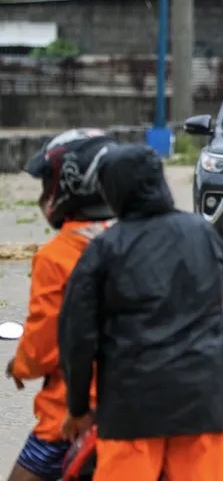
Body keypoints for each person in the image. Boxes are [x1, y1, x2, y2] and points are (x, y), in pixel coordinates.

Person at [58, 144, 223, 481]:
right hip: (203, 403)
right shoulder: (205, 235)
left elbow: (77, 336)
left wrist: (77, 408)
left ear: (113, 192)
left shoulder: (105, 249)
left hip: (131, 409)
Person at [5, 129, 115, 481]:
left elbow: (44, 345)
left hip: (71, 413)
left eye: (47, 184)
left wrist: (19, 366)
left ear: (70, 185)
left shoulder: (57, 256)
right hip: (141, 408)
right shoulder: (134, 241)